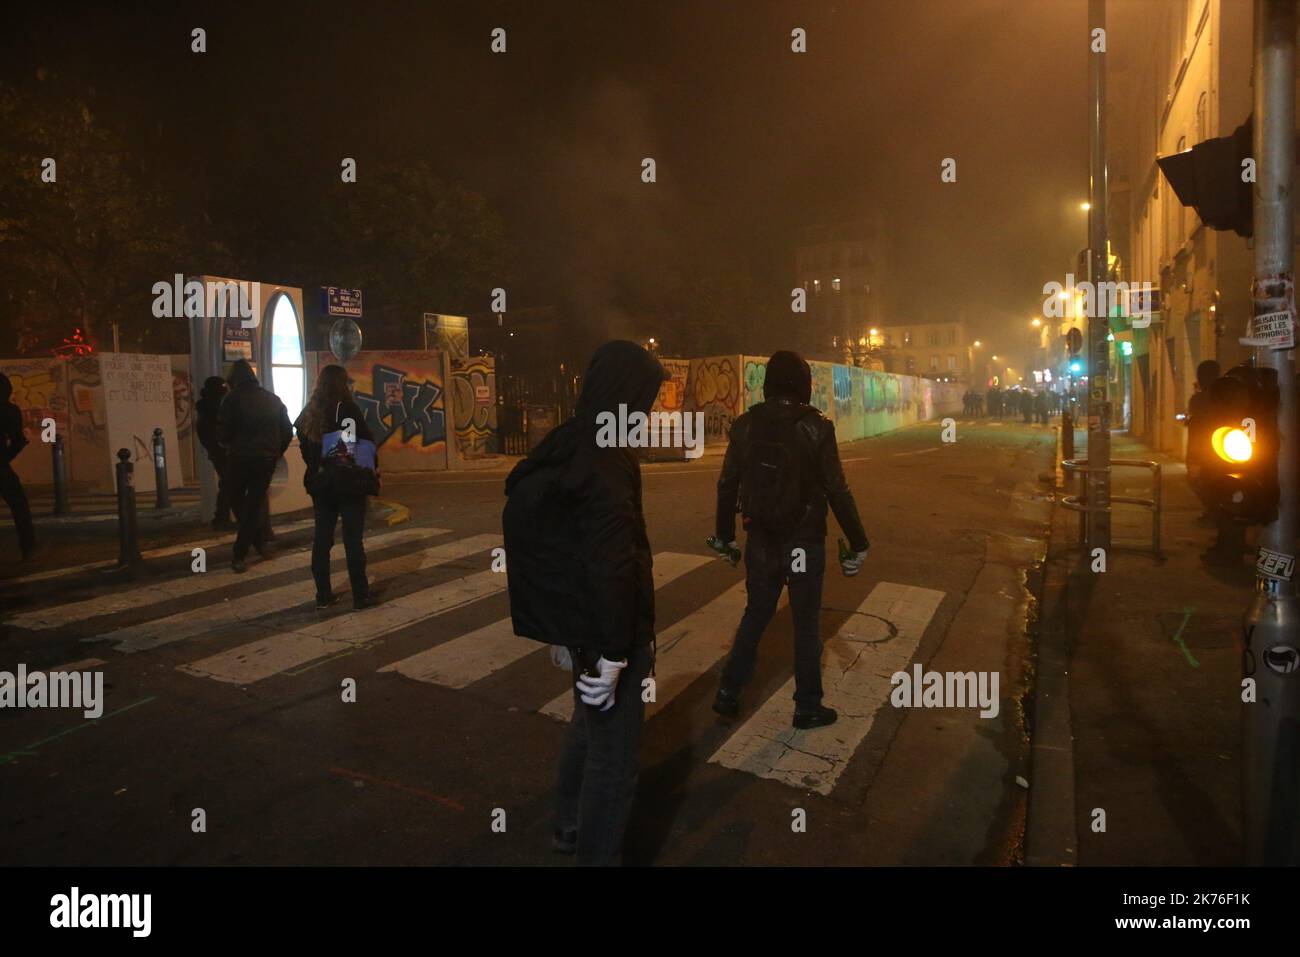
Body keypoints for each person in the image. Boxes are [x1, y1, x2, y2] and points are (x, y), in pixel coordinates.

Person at [503, 340, 665, 866]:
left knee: (585, 727)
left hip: (581, 627)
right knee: (614, 763)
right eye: (645, 398)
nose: (647, 411)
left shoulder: (570, 440)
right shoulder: (609, 459)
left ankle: (569, 829)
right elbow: (611, 561)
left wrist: (564, 632)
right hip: (608, 632)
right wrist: (617, 652)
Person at [711, 350, 870, 729]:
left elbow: (727, 483)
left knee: (756, 613)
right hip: (803, 541)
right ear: (803, 385)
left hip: (762, 539)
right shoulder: (816, 426)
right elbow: (837, 489)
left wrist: (724, 536)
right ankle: (807, 706)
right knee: (805, 623)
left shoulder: (746, 425)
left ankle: (728, 693)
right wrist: (858, 541)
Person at [295, 365, 377, 610]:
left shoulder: (308, 413)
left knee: (322, 539)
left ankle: (323, 594)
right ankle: (360, 596)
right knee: (353, 540)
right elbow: (364, 442)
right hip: (349, 484)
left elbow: (304, 447)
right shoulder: (347, 410)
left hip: (321, 485)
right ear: (342, 384)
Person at [218, 359, 292, 573]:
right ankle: (258, 543)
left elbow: (224, 432)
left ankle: (239, 554)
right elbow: (286, 431)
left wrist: (227, 444)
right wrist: (276, 452)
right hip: (265, 460)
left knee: (237, 501)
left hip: (239, 458)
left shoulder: (231, 399)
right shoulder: (273, 399)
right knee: (253, 505)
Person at [0, 373, 36, 560]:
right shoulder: (9, 410)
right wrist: (5, 457)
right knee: (19, 505)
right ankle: (27, 546)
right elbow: (17, 440)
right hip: (0, 467)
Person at [1184, 359, 1222, 526]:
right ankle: (1214, 511)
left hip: (1201, 448)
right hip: (1216, 448)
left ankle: (1214, 511)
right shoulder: (1223, 396)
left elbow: (1195, 422)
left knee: (1200, 481)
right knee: (1207, 482)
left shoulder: (1199, 399)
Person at [195, 376, 234, 529]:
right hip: (223, 449)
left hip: (217, 449)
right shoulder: (216, 407)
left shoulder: (205, 407)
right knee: (228, 482)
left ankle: (222, 516)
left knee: (227, 482)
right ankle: (222, 518)